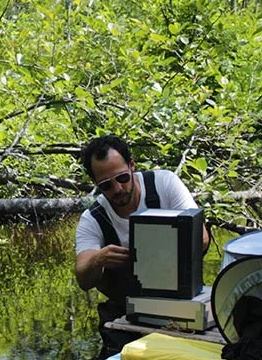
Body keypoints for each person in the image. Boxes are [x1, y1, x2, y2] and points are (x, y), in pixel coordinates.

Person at [74, 134, 209, 312]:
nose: (118, 189)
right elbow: (83, 277)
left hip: (182, 300)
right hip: (126, 309)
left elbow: (201, 237)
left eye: (122, 178)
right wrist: (98, 260)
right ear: (95, 183)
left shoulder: (164, 184)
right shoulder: (93, 218)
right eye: (106, 185)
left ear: (132, 166)